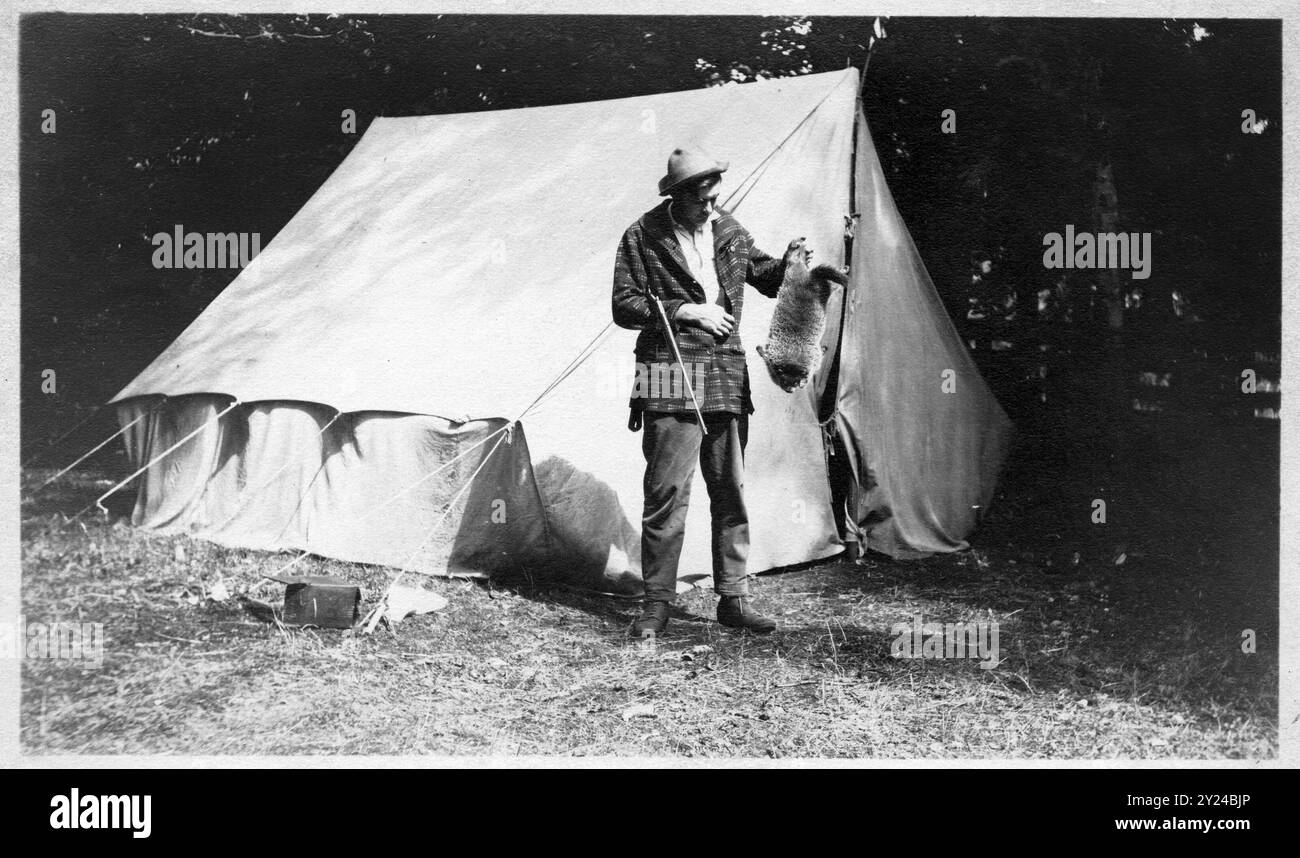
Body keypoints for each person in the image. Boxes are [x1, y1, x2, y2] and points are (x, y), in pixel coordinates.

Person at [611, 146, 811, 636]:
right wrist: (684, 311)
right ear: (678, 197)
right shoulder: (643, 235)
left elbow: (763, 275)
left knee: (729, 490)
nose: (713, 207)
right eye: (703, 201)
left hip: (725, 370)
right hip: (665, 369)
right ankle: (657, 602)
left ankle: (733, 599)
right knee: (665, 494)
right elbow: (623, 304)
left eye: (717, 197)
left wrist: (791, 265)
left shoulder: (729, 230)